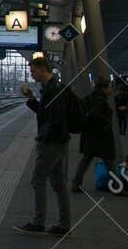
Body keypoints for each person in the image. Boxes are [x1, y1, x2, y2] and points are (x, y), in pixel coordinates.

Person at [15, 53, 72, 236]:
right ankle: (64, 225)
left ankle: (39, 223)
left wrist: (43, 138)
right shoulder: (52, 88)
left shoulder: (53, 90)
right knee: (58, 184)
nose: (31, 74)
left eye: (33, 71)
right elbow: (44, 113)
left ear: (42, 69)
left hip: (52, 143)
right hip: (58, 141)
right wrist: (31, 98)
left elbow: (54, 118)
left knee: (37, 180)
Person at [72, 78, 116, 194]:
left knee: (86, 160)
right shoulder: (100, 100)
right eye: (109, 87)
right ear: (103, 88)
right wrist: (106, 123)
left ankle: (76, 184)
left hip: (89, 136)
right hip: (100, 137)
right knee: (108, 161)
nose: (111, 89)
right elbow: (95, 114)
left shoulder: (89, 97)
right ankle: (117, 186)